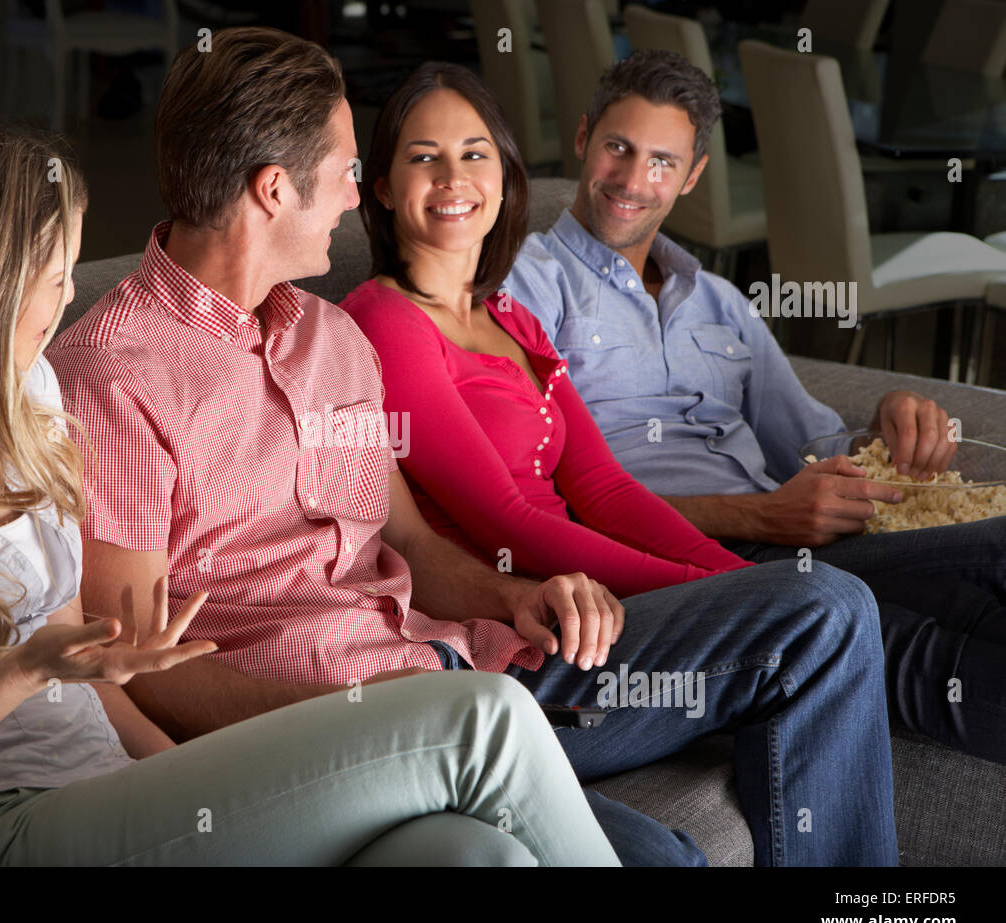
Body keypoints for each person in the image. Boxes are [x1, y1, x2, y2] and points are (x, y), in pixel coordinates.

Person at [48, 30, 899, 865]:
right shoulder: (112, 378)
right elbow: (139, 671)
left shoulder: (331, 337)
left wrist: (517, 598)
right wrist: (359, 712)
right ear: (274, 190)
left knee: (822, 610)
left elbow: (409, 542)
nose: (355, 199)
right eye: (348, 172)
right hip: (354, 730)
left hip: (465, 668)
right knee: (666, 859)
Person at [0, 106, 623, 868]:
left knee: (467, 855)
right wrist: (17, 676)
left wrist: (192, 785)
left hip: (99, 798)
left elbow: (89, 686)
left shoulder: (15, 389)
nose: (70, 299)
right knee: (483, 726)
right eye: (55, 274)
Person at [504, 50, 1006, 765]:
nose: (632, 181)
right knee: (991, 556)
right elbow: (529, 501)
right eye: (618, 148)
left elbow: (815, 445)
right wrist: (758, 516)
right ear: (583, 138)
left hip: (790, 548)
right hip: (681, 565)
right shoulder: (530, 285)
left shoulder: (719, 301)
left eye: (662, 162)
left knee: (971, 625)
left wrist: (890, 417)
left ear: (693, 176)